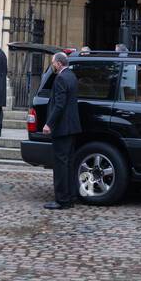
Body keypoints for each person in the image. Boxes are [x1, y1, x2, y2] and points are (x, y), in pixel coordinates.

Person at [42, 52, 81, 210]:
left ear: (58, 63)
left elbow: (59, 105)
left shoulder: (60, 78)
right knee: (69, 163)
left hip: (62, 127)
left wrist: (49, 124)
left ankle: (62, 199)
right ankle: (71, 196)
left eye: (53, 63)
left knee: (60, 165)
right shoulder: (71, 75)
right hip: (72, 127)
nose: (53, 65)